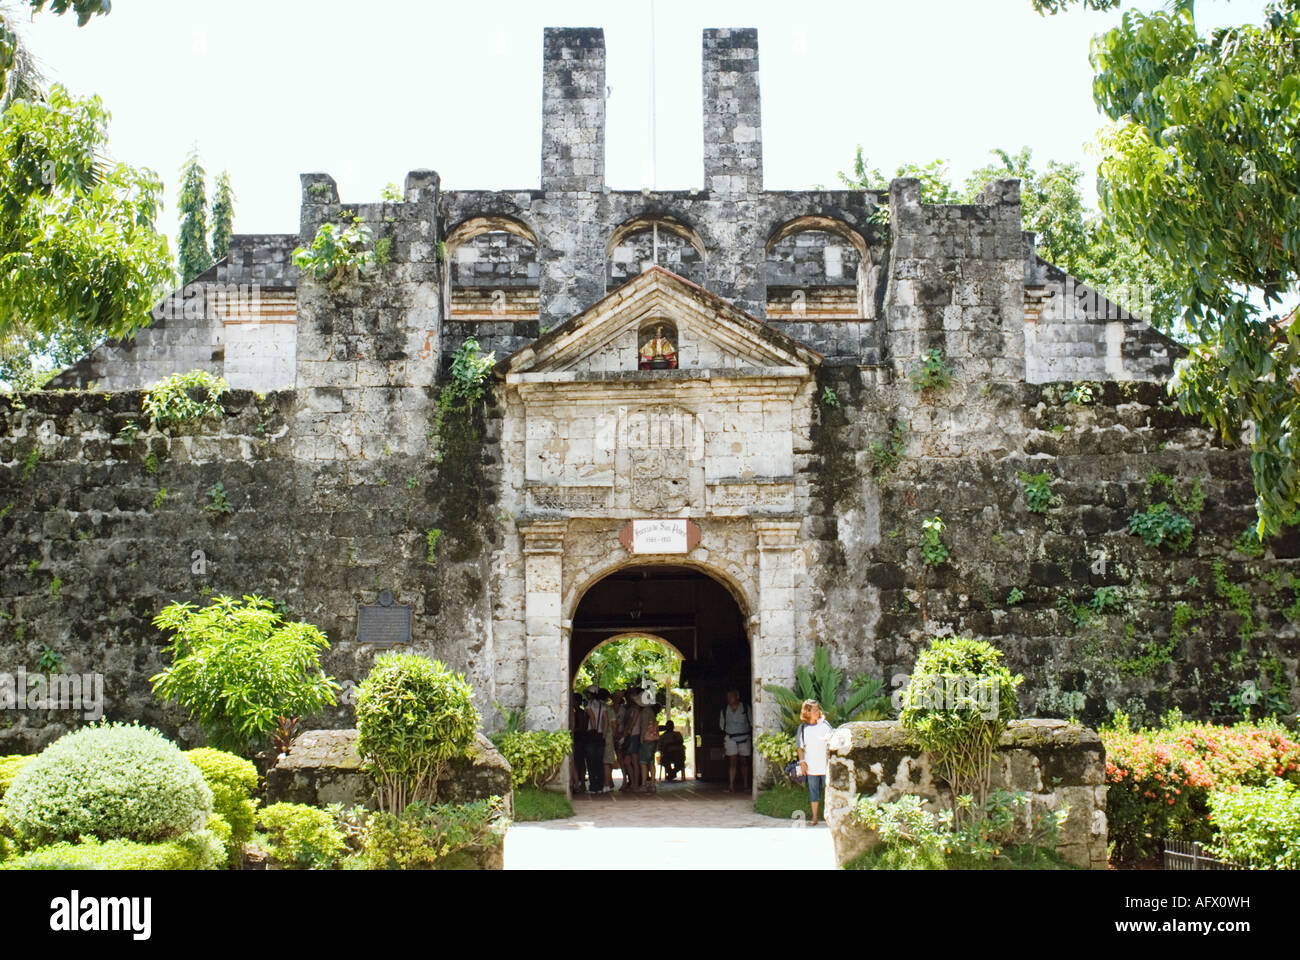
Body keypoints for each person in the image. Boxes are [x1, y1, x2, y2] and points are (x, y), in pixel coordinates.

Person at [796, 699, 833, 826]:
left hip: (825, 765)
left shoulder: (824, 725)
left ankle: (830, 817)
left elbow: (832, 738)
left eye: (818, 709)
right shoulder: (802, 728)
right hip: (811, 765)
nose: (818, 712)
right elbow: (799, 747)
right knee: (813, 792)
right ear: (807, 712)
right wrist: (802, 762)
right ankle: (815, 817)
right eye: (815, 710)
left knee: (829, 790)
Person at [719, 689, 752, 792]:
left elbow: (752, 722)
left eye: (731, 696)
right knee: (732, 761)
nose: (729, 699)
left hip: (744, 737)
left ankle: (746, 784)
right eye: (728, 697)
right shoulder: (724, 710)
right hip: (730, 737)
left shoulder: (746, 708)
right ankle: (731, 786)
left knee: (744, 761)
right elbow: (721, 726)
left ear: (737, 697)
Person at [584, 685, 608, 794]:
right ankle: (600, 785)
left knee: (591, 761)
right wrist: (603, 734)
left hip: (592, 735)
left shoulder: (589, 704)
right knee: (599, 761)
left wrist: (593, 728)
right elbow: (606, 721)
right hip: (600, 735)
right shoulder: (602, 705)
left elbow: (592, 717)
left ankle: (593, 786)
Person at [618, 688, 642, 792]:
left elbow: (632, 724)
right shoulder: (629, 709)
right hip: (628, 736)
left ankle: (635, 784)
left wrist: (626, 733)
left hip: (633, 736)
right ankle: (632, 782)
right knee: (627, 761)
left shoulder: (636, 710)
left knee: (634, 760)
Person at [637, 689, 660, 792]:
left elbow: (644, 726)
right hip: (653, 739)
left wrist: (641, 737)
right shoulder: (651, 711)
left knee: (643, 763)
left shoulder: (645, 712)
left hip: (647, 740)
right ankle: (653, 784)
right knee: (651, 762)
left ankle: (644, 785)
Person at [600, 689, 617, 791]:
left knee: (605, 761)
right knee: (607, 761)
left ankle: (607, 783)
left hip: (598, 736)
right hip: (608, 736)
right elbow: (614, 725)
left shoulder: (596, 707)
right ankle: (608, 783)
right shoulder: (609, 709)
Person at [571, 692, 588, 793]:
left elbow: (581, 727)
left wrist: (573, 730)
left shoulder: (580, 713)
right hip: (579, 739)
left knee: (579, 762)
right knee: (578, 761)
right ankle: (579, 782)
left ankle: (580, 783)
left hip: (579, 739)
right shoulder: (577, 712)